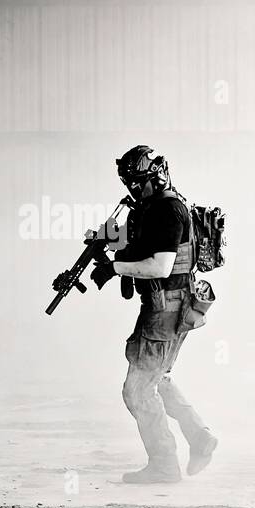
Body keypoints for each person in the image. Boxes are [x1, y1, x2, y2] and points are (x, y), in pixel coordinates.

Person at [87, 146, 218, 484]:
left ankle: (164, 466)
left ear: (154, 177)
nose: (133, 191)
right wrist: (107, 242)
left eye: (137, 184)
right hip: (170, 306)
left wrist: (115, 267)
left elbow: (159, 265)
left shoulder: (168, 210)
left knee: (138, 390)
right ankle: (201, 438)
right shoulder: (156, 207)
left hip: (166, 309)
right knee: (156, 379)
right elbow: (145, 245)